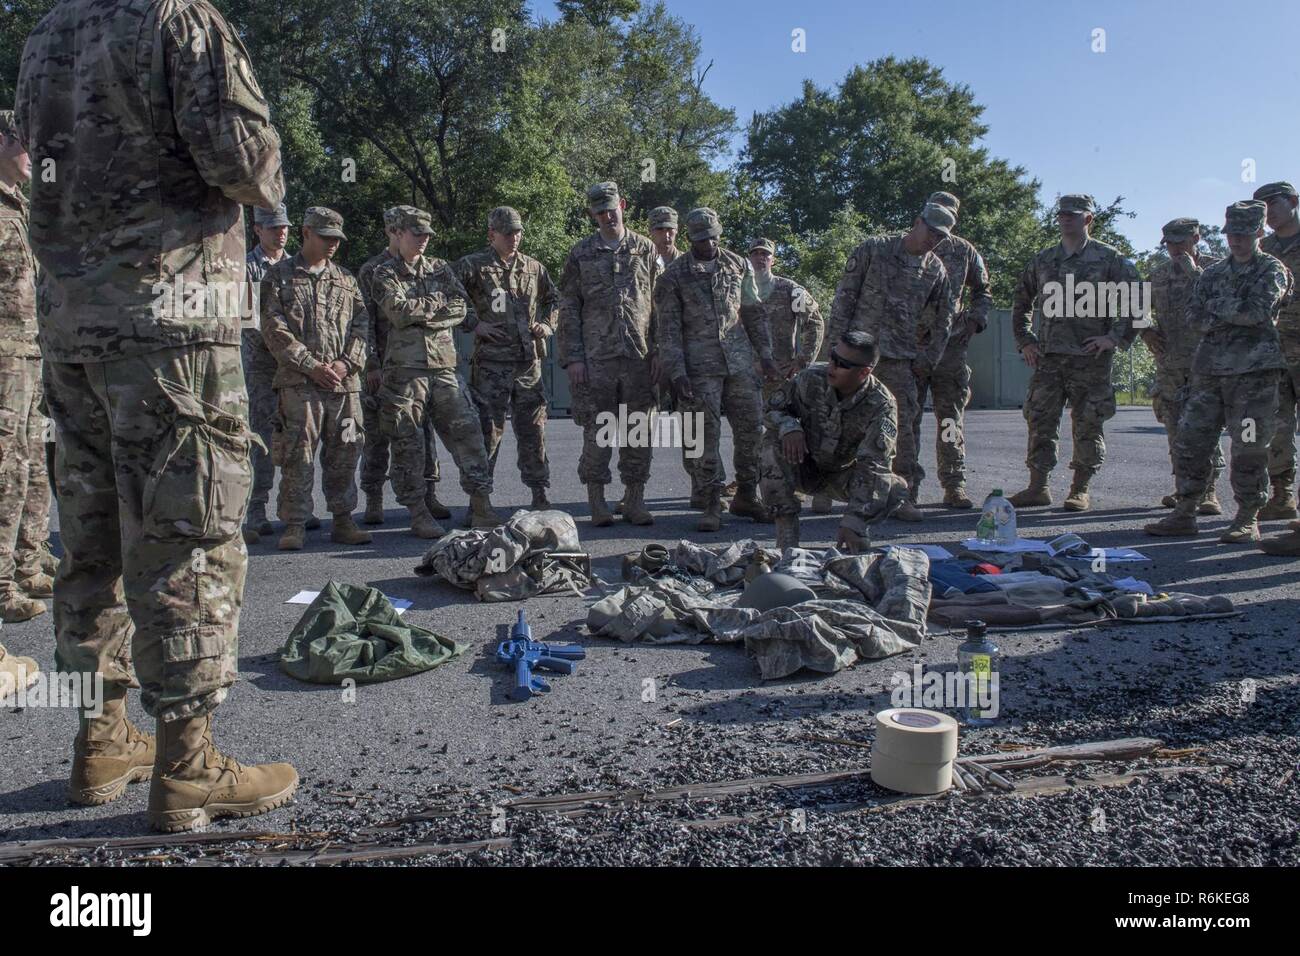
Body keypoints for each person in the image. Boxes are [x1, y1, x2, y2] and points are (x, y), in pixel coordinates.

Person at [16, 0, 297, 831]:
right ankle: (187, 766)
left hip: (73, 325)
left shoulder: (46, 32)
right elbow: (244, 161)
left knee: (90, 541)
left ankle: (100, 740)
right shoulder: (179, 18)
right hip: (173, 321)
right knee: (188, 540)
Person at [1145, 201, 1290, 543]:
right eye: (1230, 234)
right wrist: (1228, 311)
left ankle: (1247, 516)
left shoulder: (1271, 269)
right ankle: (1185, 512)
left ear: (1259, 232)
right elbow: (1194, 317)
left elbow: (1256, 312)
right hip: (1208, 372)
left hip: (1254, 375)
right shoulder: (1213, 274)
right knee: (1191, 440)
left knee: (1249, 445)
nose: (1235, 240)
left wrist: (1216, 308)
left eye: (1243, 233)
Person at [372, 207, 501, 536]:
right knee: (408, 443)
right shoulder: (383, 273)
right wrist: (436, 305)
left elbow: (461, 307)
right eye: (416, 234)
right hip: (405, 372)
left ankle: (481, 505)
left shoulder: (440, 267)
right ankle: (418, 512)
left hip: (444, 367)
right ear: (398, 234)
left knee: (469, 433)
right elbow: (398, 313)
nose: (423, 240)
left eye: (427, 235)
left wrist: (423, 311)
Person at [1008, 194, 1141, 511]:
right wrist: (1025, 340)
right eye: (1062, 214)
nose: (1065, 218)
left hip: (1090, 360)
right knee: (1039, 421)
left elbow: (1138, 298)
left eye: (1073, 214)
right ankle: (1038, 486)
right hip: (1049, 358)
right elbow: (1021, 301)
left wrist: (1114, 338)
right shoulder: (1044, 259)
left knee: (1088, 424)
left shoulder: (1109, 258)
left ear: (1088, 219)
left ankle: (1080, 489)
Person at [828, 202, 956, 521]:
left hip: (900, 359)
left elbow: (943, 320)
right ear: (917, 222)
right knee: (837, 421)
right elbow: (845, 297)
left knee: (902, 429)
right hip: (856, 355)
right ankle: (826, 488)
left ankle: (903, 495)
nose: (933, 240)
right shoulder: (874, 249)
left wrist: (928, 359)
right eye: (931, 232)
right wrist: (836, 350)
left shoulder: (936, 269)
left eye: (941, 237)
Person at [655, 207, 776, 531]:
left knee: (752, 430)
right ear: (690, 239)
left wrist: (765, 354)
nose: (708, 244)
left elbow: (752, 311)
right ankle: (710, 501)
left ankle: (747, 495)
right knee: (702, 436)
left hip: (739, 363)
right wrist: (677, 372)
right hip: (698, 367)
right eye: (701, 239)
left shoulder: (738, 265)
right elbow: (668, 330)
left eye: (712, 238)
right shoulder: (673, 277)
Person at [260, 206, 371, 550]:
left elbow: (362, 326)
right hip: (300, 385)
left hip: (343, 386)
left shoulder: (346, 279)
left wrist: (346, 363)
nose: (333, 244)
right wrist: (311, 366)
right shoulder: (278, 276)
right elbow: (273, 328)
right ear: (306, 233)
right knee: (297, 452)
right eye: (326, 237)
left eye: (337, 238)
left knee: (346, 451)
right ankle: (294, 524)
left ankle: (343, 519)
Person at [558, 181, 661, 527]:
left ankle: (634, 499)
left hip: (638, 357)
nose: (607, 216)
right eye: (599, 211)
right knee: (599, 431)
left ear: (623, 205)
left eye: (611, 209)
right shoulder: (581, 253)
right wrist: (573, 357)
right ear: (592, 214)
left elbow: (660, 303)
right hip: (596, 359)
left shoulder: (645, 249)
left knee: (638, 432)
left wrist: (659, 352)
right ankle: (597, 501)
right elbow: (568, 307)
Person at [760, 331, 909, 552]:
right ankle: (787, 537)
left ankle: (857, 534)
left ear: (864, 372)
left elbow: (874, 464)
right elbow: (770, 409)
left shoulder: (881, 404)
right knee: (772, 442)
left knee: (894, 488)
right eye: (832, 357)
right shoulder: (810, 379)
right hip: (804, 465)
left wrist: (855, 519)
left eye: (842, 364)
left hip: (843, 477)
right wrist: (789, 426)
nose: (832, 366)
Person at [455, 206, 559, 509]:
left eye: (518, 232)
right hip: (491, 365)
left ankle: (539, 493)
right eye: (507, 233)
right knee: (488, 432)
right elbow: (447, 294)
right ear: (492, 234)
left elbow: (555, 299)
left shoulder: (533, 268)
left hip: (528, 365)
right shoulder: (473, 266)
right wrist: (474, 323)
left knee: (534, 430)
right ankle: (480, 500)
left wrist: (548, 325)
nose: (514, 238)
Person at [357, 205, 449, 526]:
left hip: (420, 365)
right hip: (384, 364)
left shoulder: (427, 267)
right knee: (377, 435)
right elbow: (365, 320)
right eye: (402, 228)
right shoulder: (373, 269)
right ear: (392, 231)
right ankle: (374, 497)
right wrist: (371, 364)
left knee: (422, 432)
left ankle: (428, 493)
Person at [0, 109, 52, 623]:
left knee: (33, 463)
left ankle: (28, 561)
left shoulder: (20, 208)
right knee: (6, 469)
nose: (32, 154)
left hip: (29, 356)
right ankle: (1, 586)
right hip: (4, 361)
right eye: (22, 142)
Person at [910, 192, 993, 508]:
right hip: (911, 346)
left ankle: (954, 484)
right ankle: (905, 488)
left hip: (950, 348)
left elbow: (983, 291)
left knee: (949, 420)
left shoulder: (964, 251)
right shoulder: (909, 246)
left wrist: (975, 320)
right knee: (906, 419)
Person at [1141, 217, 1224, 514]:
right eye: (1170, 243)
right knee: (1175, 428)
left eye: (1181, 242)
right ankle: (1184, 489)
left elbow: (1224, 302)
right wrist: (1146, 330)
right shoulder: (1159, 274)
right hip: (1171, 365)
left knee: (1207, 427)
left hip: (1208, 364)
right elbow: (1134, 305)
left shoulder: (1217, 269)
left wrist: (1193, 272)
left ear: (1196, 238)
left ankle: (1209, 492)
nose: (1175, 249)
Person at [242, 201, 290, 545]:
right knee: (261, 439)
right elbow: (249, 323)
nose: (281, 232)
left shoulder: (295, 266)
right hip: (262, 367)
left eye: (284, 227)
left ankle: (294, 505)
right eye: (273, 227)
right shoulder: (246, 268)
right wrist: (287, 348)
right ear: (257, 229)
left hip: (294, 366)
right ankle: (256, 510)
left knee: (298, 436)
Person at [1254, 181, 1300, 521]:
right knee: (1277, 425)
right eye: (1262, 207)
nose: (1267, 212)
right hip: (1273, 351)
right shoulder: (1262, 250)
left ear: (1293, 201)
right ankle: (1282, 496)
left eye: (1273, 203)